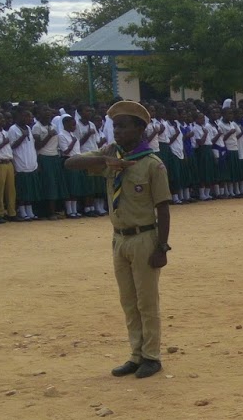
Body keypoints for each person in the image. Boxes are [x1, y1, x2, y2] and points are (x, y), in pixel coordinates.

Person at [65, 100, 171, 379]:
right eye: (115, 126)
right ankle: (135, 354)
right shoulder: (110, 155)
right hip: (119, 239)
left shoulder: (152, 164)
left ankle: (152, 355)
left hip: (144, 237)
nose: (118, 132)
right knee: (128, 300)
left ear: (140, 128)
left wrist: (162, 246)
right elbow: (70, 162)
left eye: (124, 126)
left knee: (147, 301)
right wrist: (104, 161)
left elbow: (163, 207)